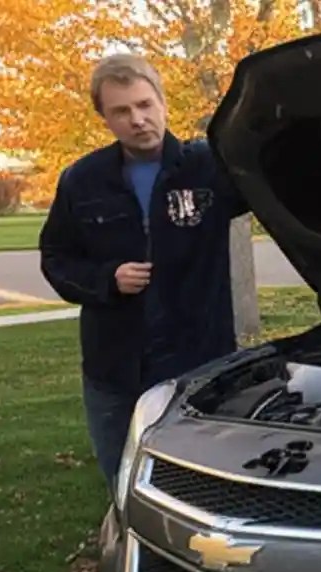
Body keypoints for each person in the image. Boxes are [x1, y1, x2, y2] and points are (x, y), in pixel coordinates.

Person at [39, 53, 249, 495]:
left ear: (162, 102)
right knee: (124, 480)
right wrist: (106, 279)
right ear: (105, 118)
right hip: (114, 368)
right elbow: (56, 258)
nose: (137, 119)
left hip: (198, 362)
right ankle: (130, 553)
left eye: (144, 104)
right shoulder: (83, 180)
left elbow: (283, 187)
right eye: (121, 111)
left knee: (202, 479)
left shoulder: (210, 167)